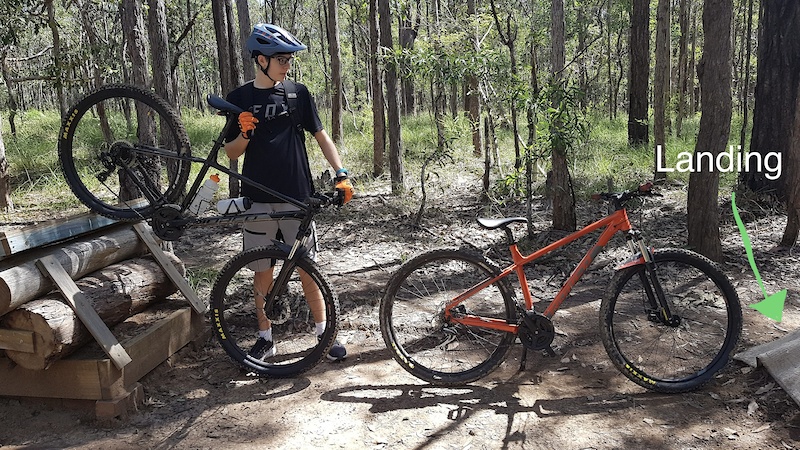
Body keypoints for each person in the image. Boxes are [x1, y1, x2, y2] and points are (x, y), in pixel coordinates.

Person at [224, 23, 354, 362]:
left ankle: (324, 335)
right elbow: (232, 153)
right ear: (261, 59)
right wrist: (245, 133)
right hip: (257, 198)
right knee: (261, 270)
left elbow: (321, 136)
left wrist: (341, 174)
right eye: (282, 59)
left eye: (289, 59)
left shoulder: (298, 93)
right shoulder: (240, 98)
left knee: (307, 268)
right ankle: (265, 338)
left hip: (298, 197)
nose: (288, 65)